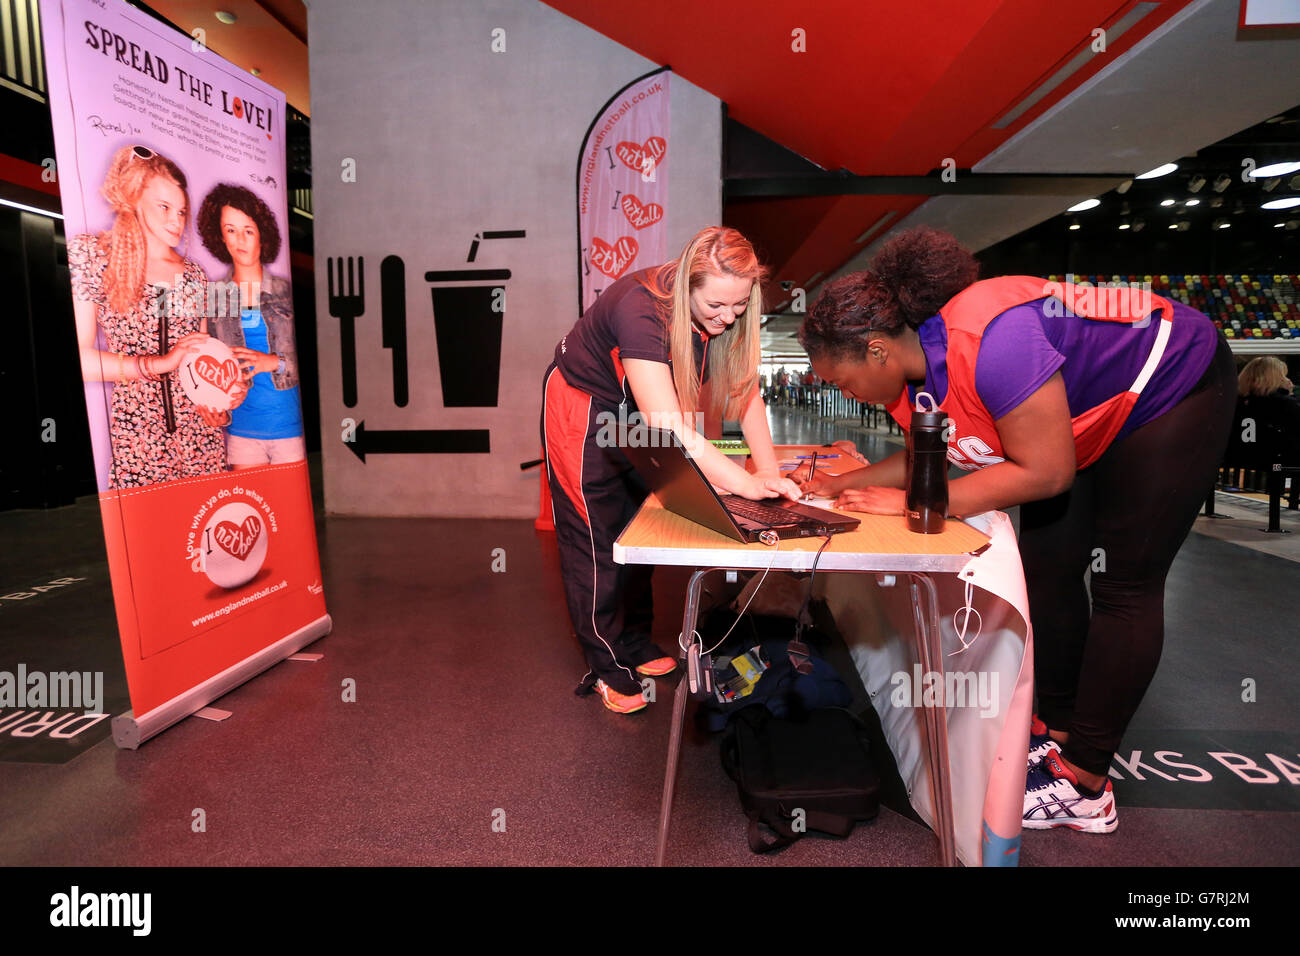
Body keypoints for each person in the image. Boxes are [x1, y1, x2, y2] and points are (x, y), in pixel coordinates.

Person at [795, 227, 1236, 833]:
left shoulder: (993, 340)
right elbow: (925, 458)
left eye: (841, 382)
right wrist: (837, 486)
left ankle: (1086, 782)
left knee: (1124, 585)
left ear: (876, 350)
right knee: (1050, 572)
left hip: (1170, 383)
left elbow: (1048, 471)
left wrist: (910, 506)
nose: (845, 393)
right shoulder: (911, 374)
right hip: (1085, 414)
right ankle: (1055, 734)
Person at [541, 226, 801, 715]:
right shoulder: (642, 310)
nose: (728, 318)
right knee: (596, 537)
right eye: (716, 309)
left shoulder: (728, 306)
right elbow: (671, 428)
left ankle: (636, 642)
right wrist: (743, 483)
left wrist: (767, 472)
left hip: (639, 411)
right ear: (686, 288)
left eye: (739, 306)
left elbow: (745, 393)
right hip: (586, 405)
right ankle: (606, 662)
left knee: (642, 524)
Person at [69, 144, 228, 489]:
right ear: (134, 198)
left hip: (200, 440)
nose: (176, 220)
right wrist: (159, 364)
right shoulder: (94, 257)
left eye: (182, 211)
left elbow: (201, 360)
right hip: (139, 440)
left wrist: (217, 404)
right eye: (164, 207)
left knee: (202, 538)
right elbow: (81, 359)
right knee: (147, 539)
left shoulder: (195, 274)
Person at [198, 184, 305, 468]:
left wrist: (276, 363)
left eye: (249, 230)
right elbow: (204, 364)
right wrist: (215, 409)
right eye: (231, 230)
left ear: (262, 236)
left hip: (290, 430)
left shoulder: (288, 291)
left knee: (290, 511)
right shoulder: (213, 297)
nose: (240, 239)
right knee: (251, 511)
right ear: (220, 236)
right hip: (241, 429)